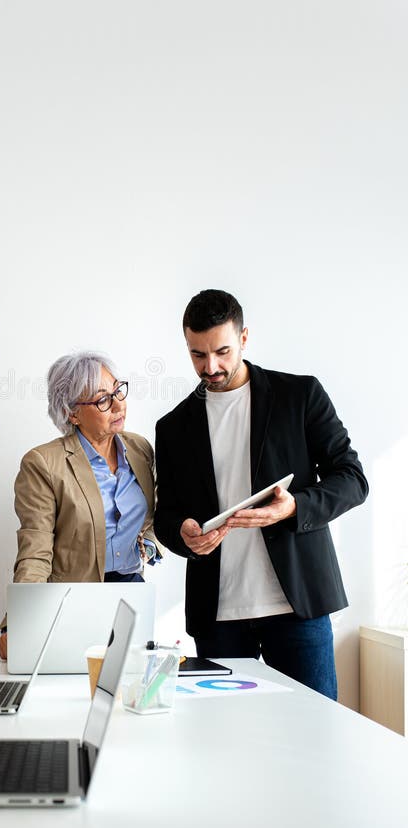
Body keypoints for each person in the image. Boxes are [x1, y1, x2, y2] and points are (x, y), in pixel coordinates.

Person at [154, 289, 368, 699]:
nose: (211, 366)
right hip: (218, 617)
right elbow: (166, 516)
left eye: (222, 351)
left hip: (297, 608)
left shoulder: (300, 396)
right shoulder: (174, 426)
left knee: (315, 737)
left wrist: (295, 507)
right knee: (229, 750)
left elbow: (352, 478)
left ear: (245, 338)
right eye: (197, 354)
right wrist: (183, 532)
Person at [0, 351, 161, 660]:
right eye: (102, 400)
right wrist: (15, 623)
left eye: (118, 391)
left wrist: (148, 546)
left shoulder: (139, 449)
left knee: (127, 692)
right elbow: (36, 550)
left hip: (133, 594)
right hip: (75, 599)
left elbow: (150, 515)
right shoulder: (44, 464)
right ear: (71, 413)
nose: (117, 404)